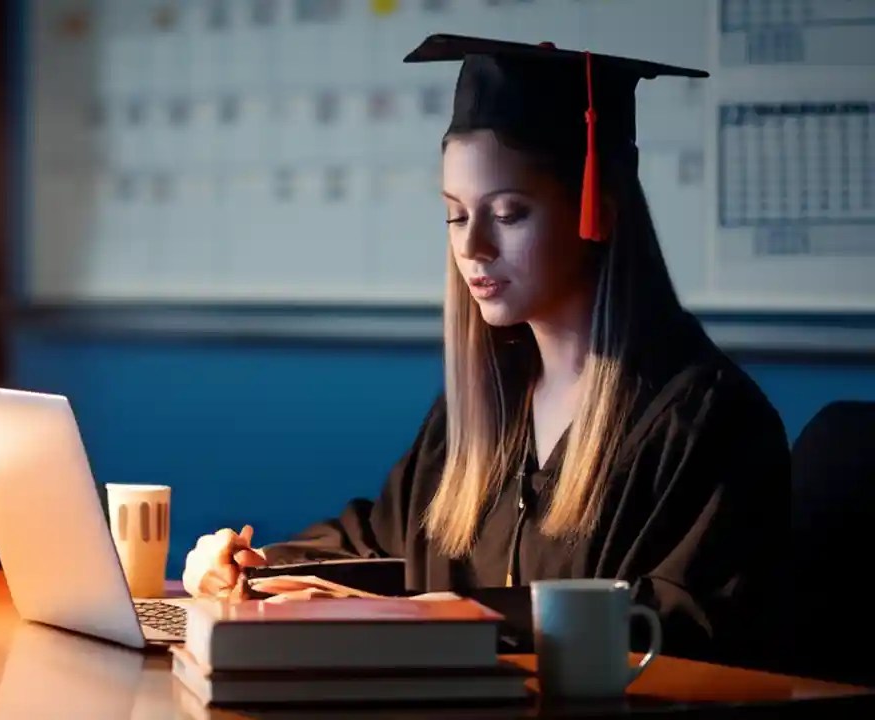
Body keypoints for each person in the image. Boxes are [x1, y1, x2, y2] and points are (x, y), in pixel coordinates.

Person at [182, 35, 790, 670]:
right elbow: (372, 549)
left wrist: (451, 618)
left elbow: (686, 630)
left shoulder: (705, 423)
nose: (472, 246)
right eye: (455, 215)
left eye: (508, 213)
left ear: (596, 213)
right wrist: (249, 567)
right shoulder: (477, 411)